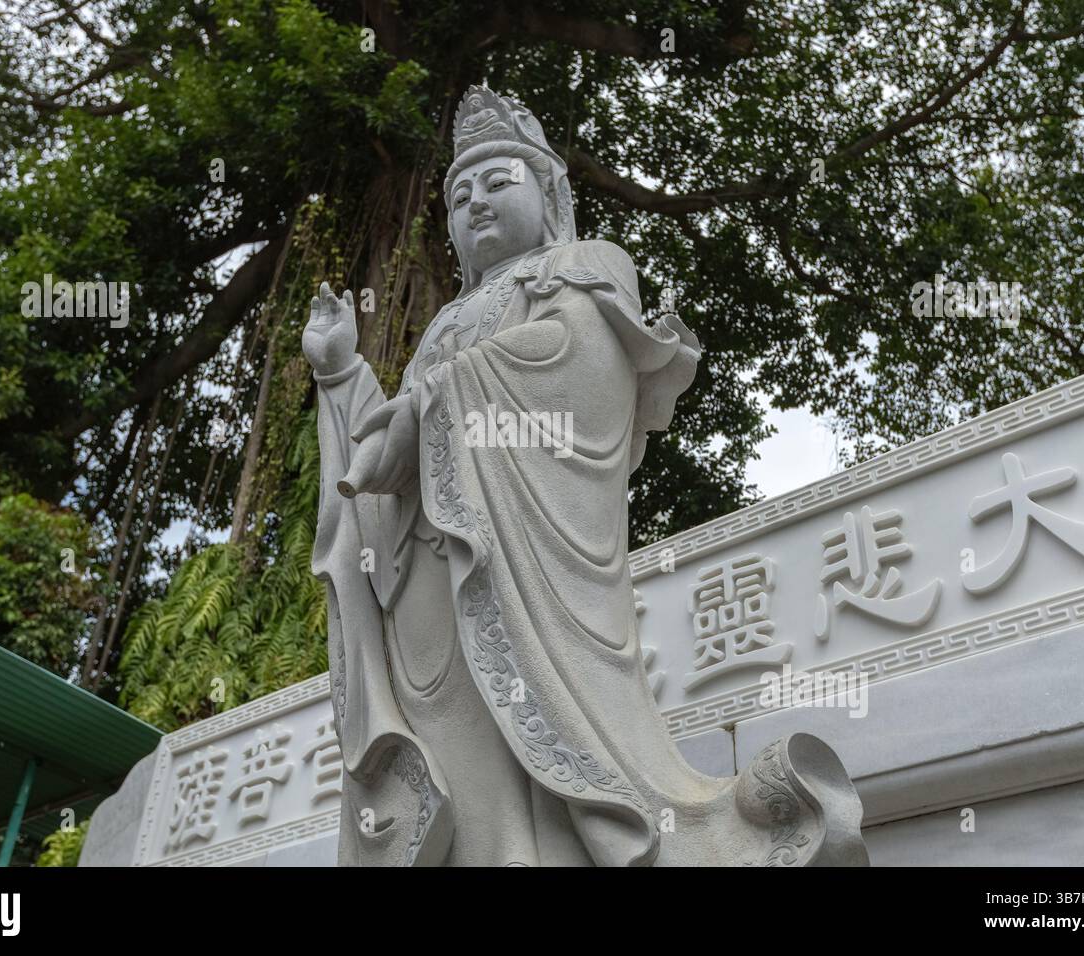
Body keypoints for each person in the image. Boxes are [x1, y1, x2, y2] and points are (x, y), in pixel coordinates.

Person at [305, 86, 865, 866]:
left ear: (551, 195)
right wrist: (342, 378)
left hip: (521, 561)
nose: (476, 205)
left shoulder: (584, 267)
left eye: (499, 182)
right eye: (459, 196)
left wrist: (438, 401)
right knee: (455, 747)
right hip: (428, 575)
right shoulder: (442, 325)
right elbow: (381, 462)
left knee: (528, 735)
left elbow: (581, 379)